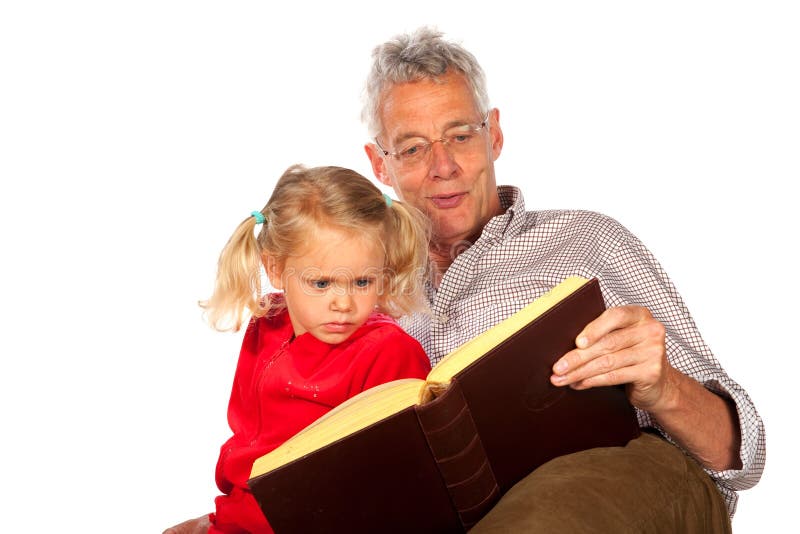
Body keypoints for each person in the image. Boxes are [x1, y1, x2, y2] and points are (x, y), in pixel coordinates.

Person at [362, 27, 765, 532]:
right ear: (380, 163)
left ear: (495, 135)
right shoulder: (357, 294)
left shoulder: (586, 239)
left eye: (461, 136)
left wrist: (662, 387)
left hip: (618, 480)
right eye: (414, 148)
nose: (444, 166)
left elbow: (741, 457)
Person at [164, 164, 433, 534]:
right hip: (241, 515)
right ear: (275, 269)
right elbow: (246, 436)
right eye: (321, 283)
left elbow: (400, 478)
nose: (343, 302)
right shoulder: (267, 324)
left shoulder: (387, 351)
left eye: (362, 281)